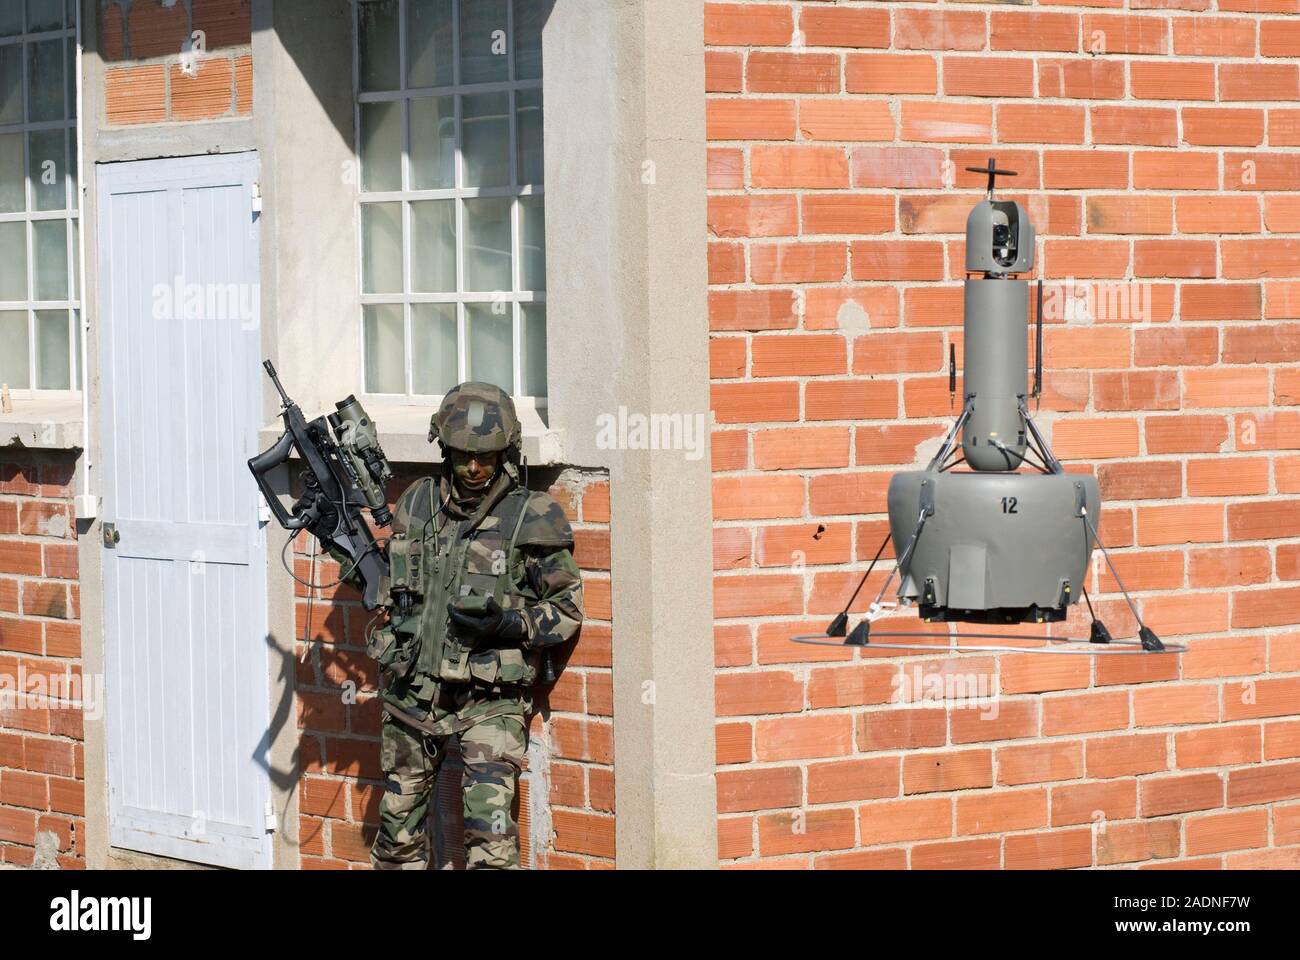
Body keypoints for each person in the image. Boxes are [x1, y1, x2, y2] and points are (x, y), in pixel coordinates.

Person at [338, 382, 583, 869]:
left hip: (489, 704)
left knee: (490, 846)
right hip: (413, 696)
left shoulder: (531, 515)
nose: (474, 468)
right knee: (396, 837)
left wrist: (509, 623)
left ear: (506, 452)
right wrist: (344, 547)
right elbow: (394, 587)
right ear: (444, 450)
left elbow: (567, 609)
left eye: (486, 457)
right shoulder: (417, 502)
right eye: (463, 456)